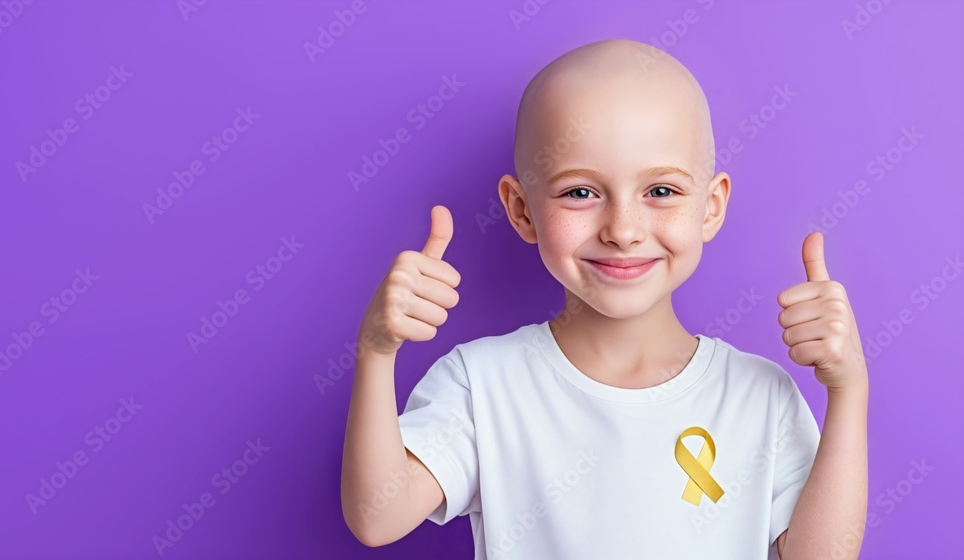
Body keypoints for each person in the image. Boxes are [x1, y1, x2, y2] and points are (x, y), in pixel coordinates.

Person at [341, 38, 869, 560]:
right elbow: (377, 518)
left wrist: (849, 390)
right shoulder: (482, 384)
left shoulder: (760, 396)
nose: (623, 230)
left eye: (660, 191)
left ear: (710, 208)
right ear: (522, 210)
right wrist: (376, 350)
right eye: (580, 192)